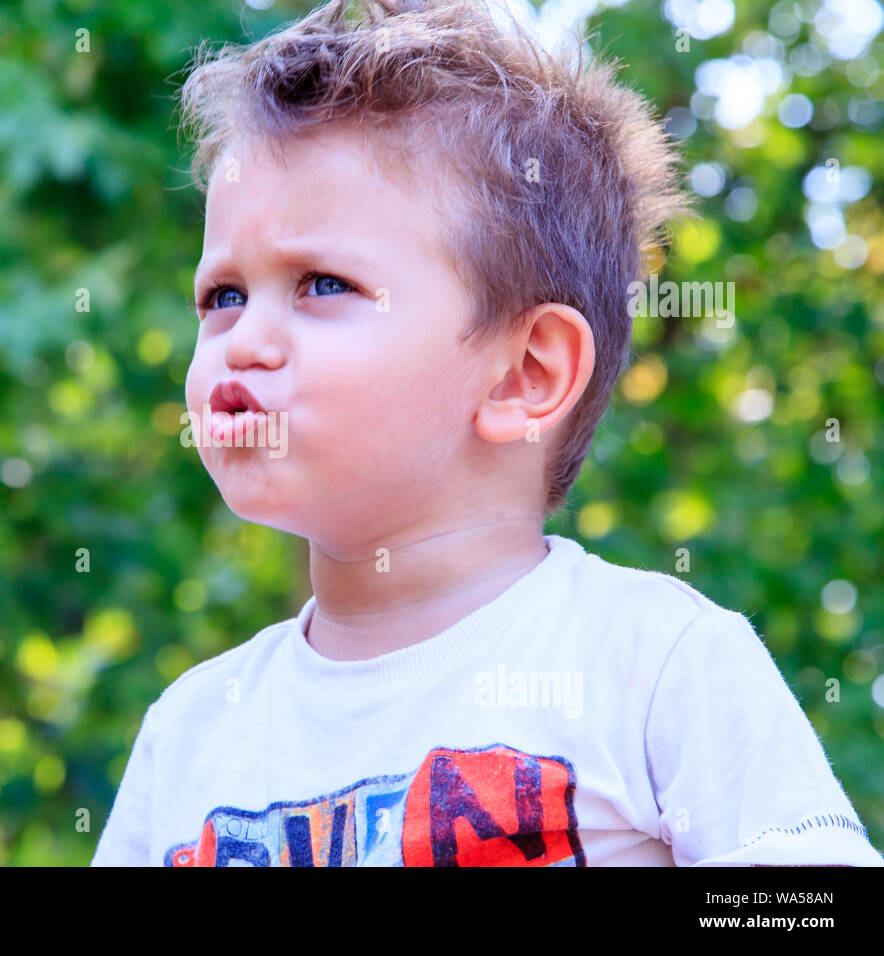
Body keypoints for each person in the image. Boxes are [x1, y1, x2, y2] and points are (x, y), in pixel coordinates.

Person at [91, 0, 882, 866]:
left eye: (321, 284)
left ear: (525, 374)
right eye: (224, 295)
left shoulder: (654, 661)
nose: (243, 339)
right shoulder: (194, 732)